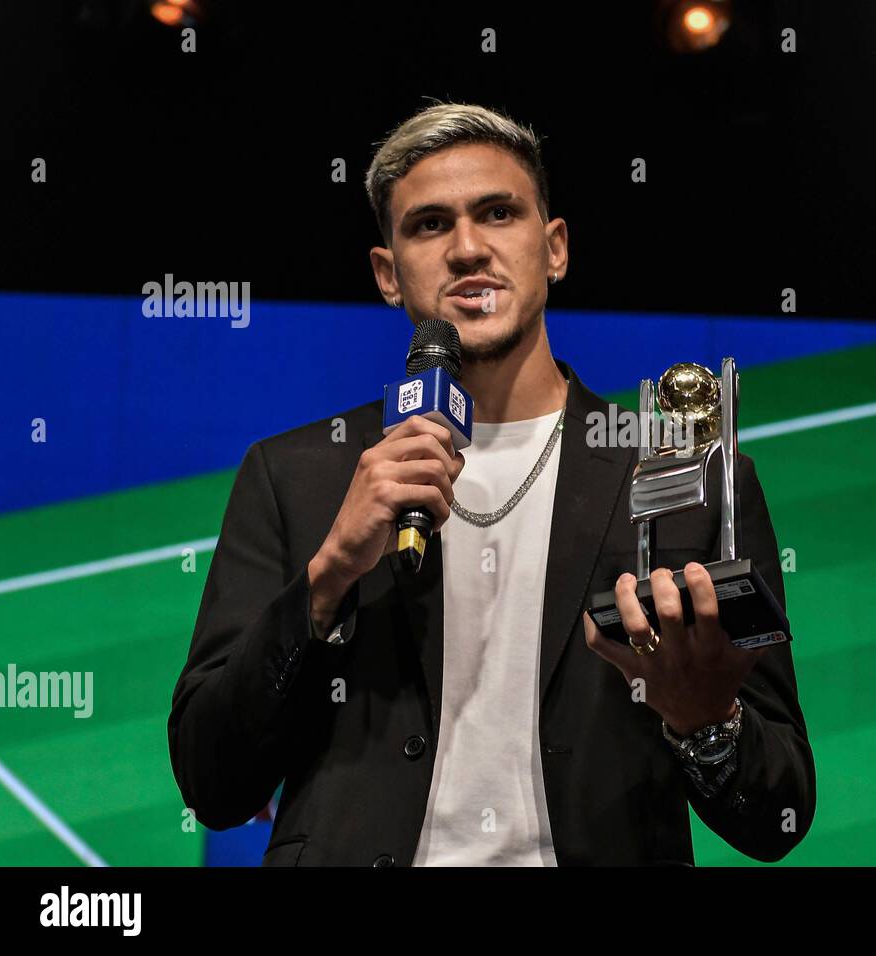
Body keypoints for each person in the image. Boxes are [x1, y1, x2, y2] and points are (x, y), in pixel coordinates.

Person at [168, 101, 815, 866]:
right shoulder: (296, 477)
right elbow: (213, 782)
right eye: (429, 225)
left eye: (498, 213)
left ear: (555, 249)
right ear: (387, 273)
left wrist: (702, 721)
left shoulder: (688, 475)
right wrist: (329, 575)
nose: (468, 248)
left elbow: (779, 811)